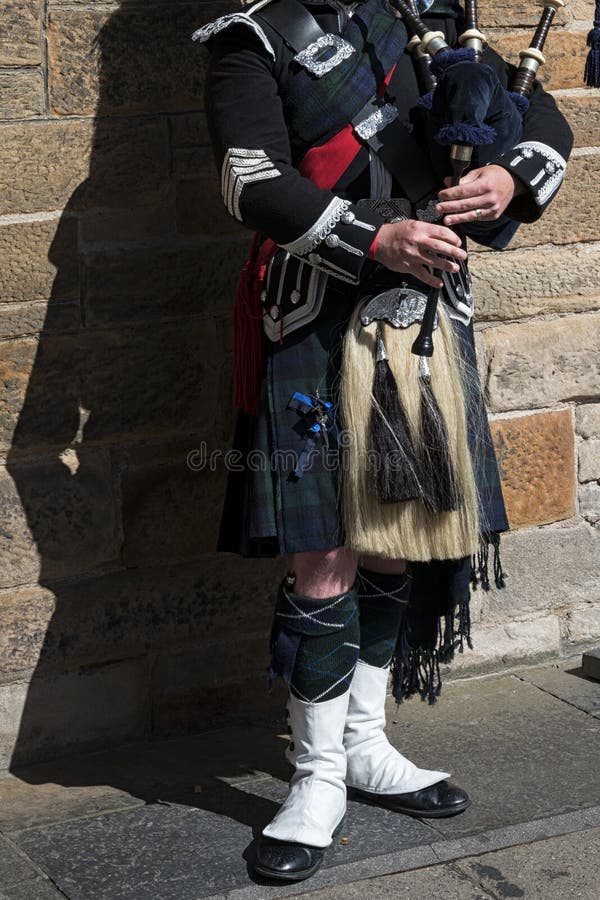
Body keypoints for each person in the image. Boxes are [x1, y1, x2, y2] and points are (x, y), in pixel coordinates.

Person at [196, 0, 573, 882]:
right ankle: (318, 776)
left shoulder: (427, 18)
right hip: (313, 314)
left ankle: (366, 744)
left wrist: (510, 178)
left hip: (423, 319)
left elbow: (540, 115)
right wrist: (377, 234)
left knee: (395, 540)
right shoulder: (251, 38)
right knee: (322, 556)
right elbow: (248, 178)